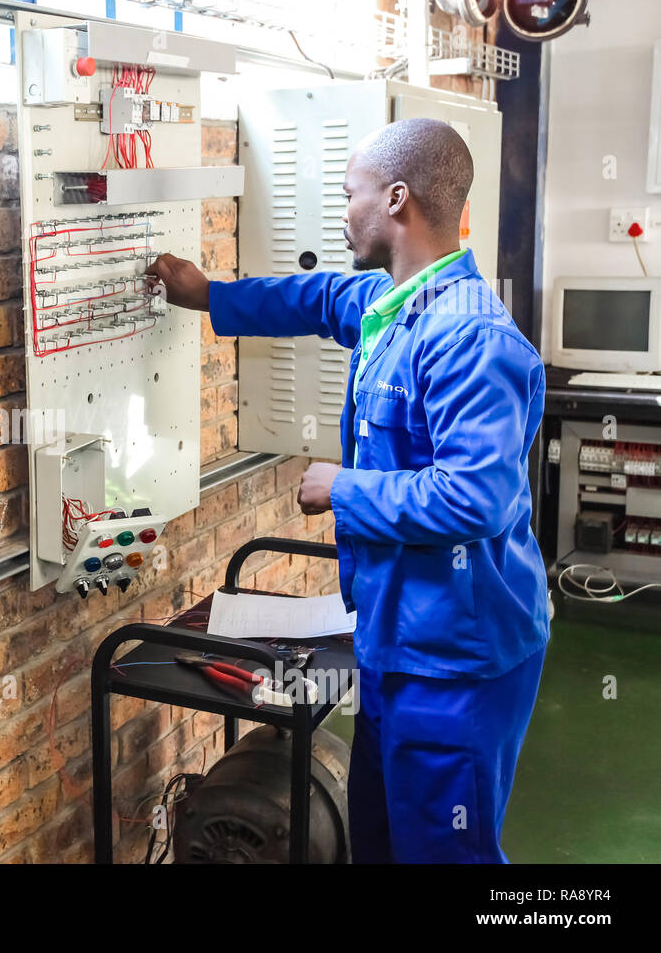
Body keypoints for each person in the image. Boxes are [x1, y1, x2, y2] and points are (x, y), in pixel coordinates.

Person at [145, 117, 549, 863]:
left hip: (458, 655)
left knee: (442, 851)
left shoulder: (473, 340)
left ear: (397, 199)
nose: (341, 211)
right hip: (395, 640)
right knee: (382, 839)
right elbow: (314, 297)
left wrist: (345, 489)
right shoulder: (386, 302)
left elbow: (475, 498)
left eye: (349, 194)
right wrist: (209, 297)